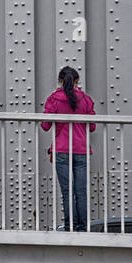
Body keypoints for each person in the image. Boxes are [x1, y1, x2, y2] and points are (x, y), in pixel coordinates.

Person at [41, 66, 96, 231]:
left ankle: (69, 226)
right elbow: (92, 126)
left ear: (60, 81)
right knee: (81, 191)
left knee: (67, 191)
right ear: (77, 81)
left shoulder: (54, 99)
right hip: (81, 150)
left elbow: (45, 125)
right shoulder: (86, 100)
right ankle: (84, 227)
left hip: (61, 149)